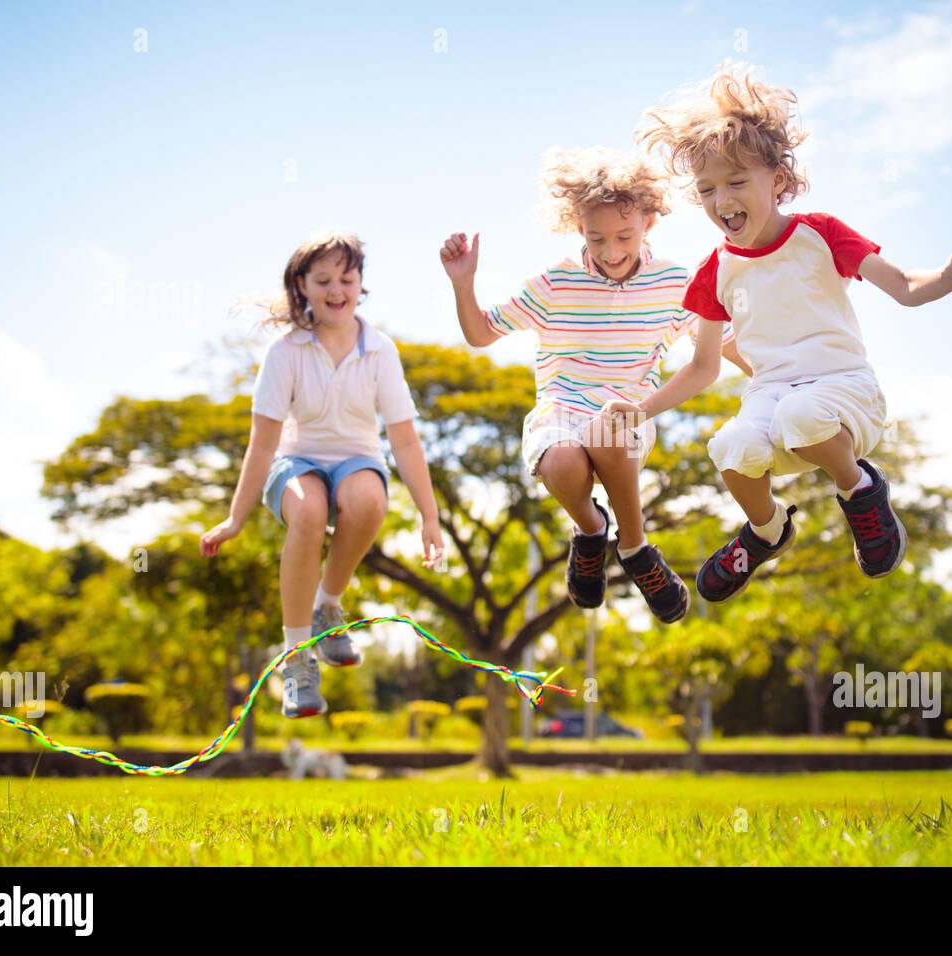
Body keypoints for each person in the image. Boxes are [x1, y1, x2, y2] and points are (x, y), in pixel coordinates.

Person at [605, 64, 952, 601]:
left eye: (737, 182)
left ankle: (860, 490)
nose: (722, 201)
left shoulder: (820, 234)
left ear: (779, 180)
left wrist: (950, 277)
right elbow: (703, 366)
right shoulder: (713, 272)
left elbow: (904, 286)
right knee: (730, 445)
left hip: (844, 394)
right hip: (774, 405)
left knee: (802, 413)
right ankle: (767, 531)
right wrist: (640, 409)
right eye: (708, 189)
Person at [440, 147, 751, 624]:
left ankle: (634, 546)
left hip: (630, 414)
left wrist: (785, 379)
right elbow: (482, 333)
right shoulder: (554, 283)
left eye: (624, 235)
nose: (611, 251)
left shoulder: (674, 282)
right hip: (560, 411)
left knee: (607, 427)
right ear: (577, 227)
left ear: (649, 221)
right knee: (563, 461)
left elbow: (724, 349)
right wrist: (464, 282)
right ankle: (590, 531)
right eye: (596, 237)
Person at [201, 231, 444, 717]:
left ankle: (327, 605)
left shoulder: (379, 351)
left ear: (360, 285)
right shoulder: (285, 351)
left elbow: (404, 440)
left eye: (347, 278)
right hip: (297, 461)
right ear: (302, 286)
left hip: (358, 458)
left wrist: (430, 518)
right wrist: (235, 520)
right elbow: (264, 442)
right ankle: (298, 661)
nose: (337, 290)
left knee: (369, 501)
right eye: (324, 280)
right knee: (309, 510)